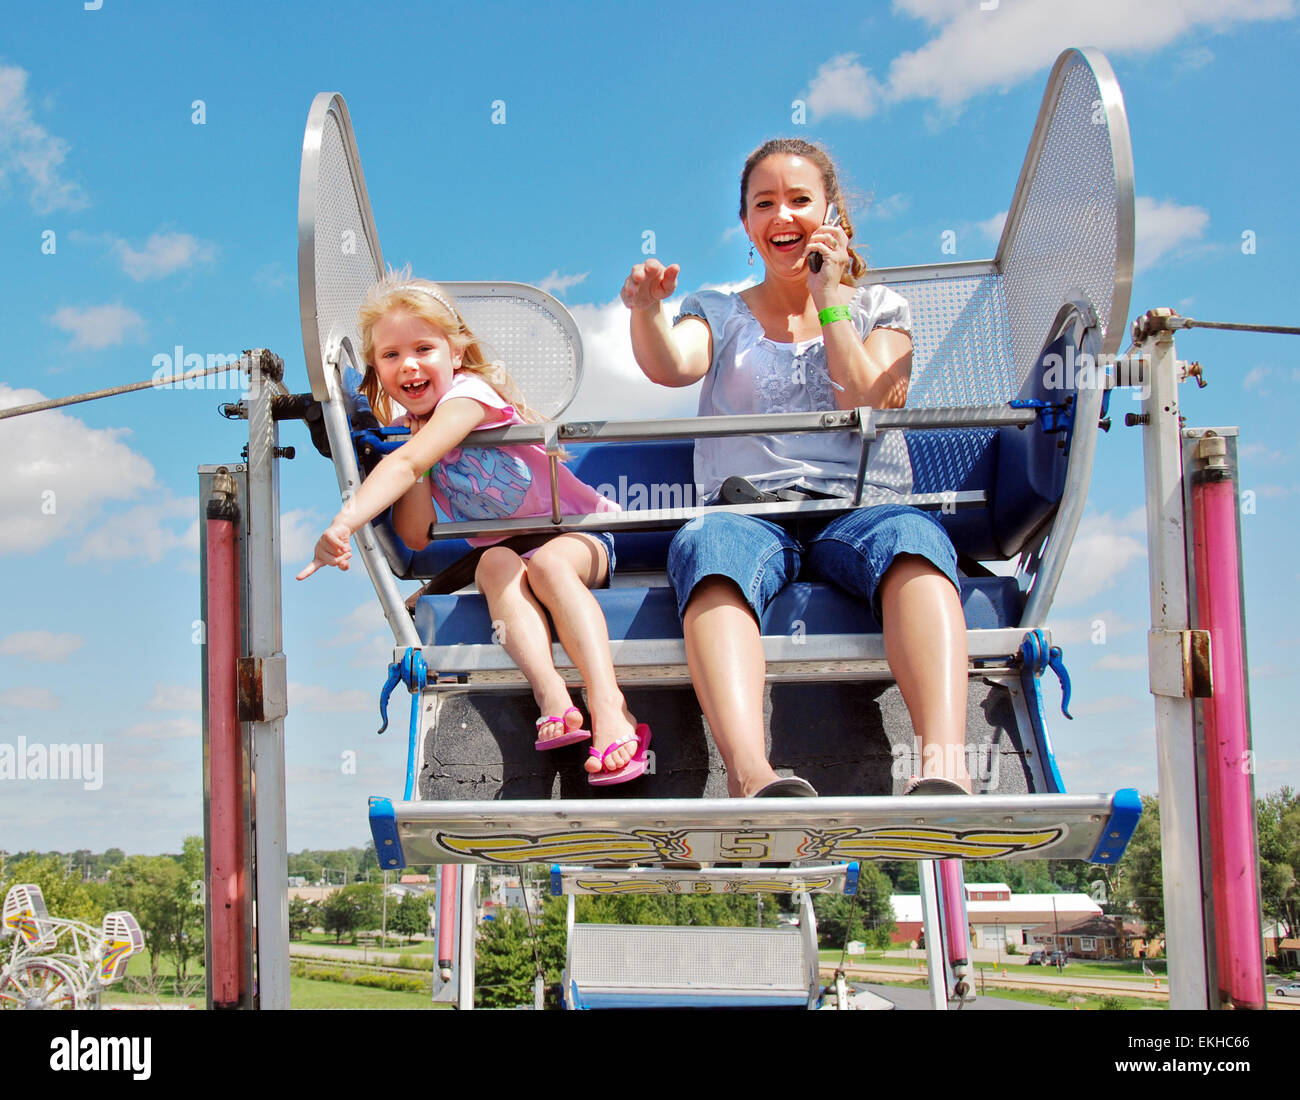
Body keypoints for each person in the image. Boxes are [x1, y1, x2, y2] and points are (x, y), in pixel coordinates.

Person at [622, 138, 970, 798]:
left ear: (829, 213)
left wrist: (828, 296)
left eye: (799, 200)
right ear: (747, 224)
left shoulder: (880, 309)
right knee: (708, 545)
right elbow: (672, 365)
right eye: (765, 203)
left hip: (861, 507)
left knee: (917, 542)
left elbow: (865, 394)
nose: (783, 214)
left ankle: (944, 765)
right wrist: (647, 313)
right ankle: (751, 774)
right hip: (753, 511)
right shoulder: (718, 309)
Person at [299, 271, 650, 785]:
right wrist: (415, 458)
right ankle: (550, 694)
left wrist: (344, 523)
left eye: (424, 348)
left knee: (550, 565)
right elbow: (417, 534)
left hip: (578, 534)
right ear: (377, 367)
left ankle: (610, 707)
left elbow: (404, 465)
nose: (409, 365)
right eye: (391, 356)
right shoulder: (419, 434)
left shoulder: (469, 396)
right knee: (494, 563)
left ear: (456, 355)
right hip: (508, 552)